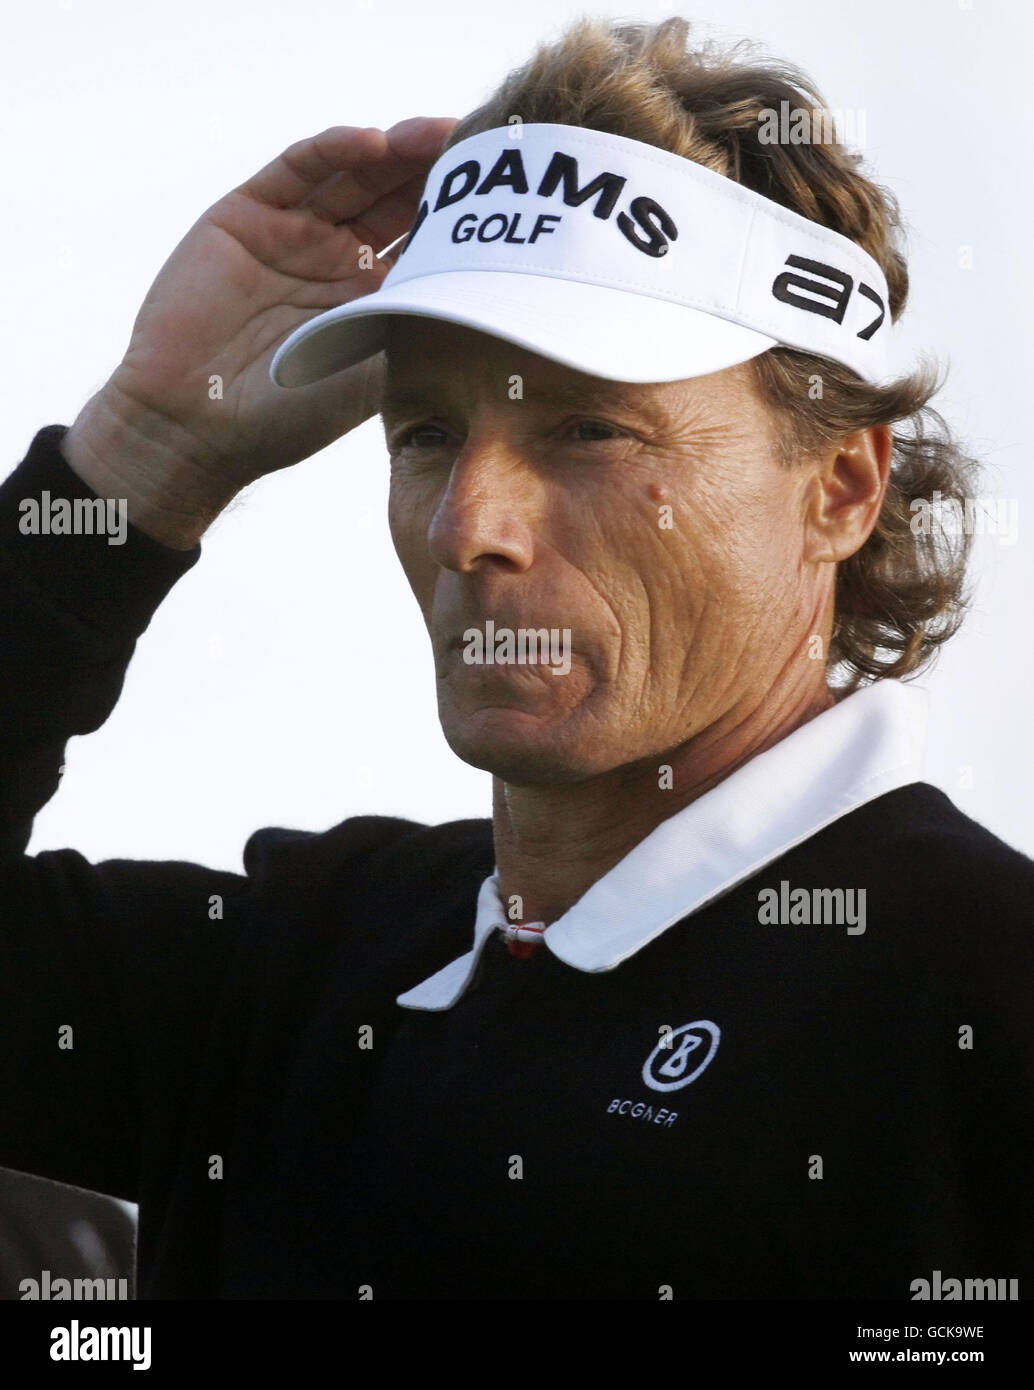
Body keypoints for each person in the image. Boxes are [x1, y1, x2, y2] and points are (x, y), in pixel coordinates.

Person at [1, 15, 1031, 1300]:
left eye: (591, 429)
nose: (465, 525)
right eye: (425, 431)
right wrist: (140, 457)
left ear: (836, 487)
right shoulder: (300, 969)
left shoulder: (983, 994)